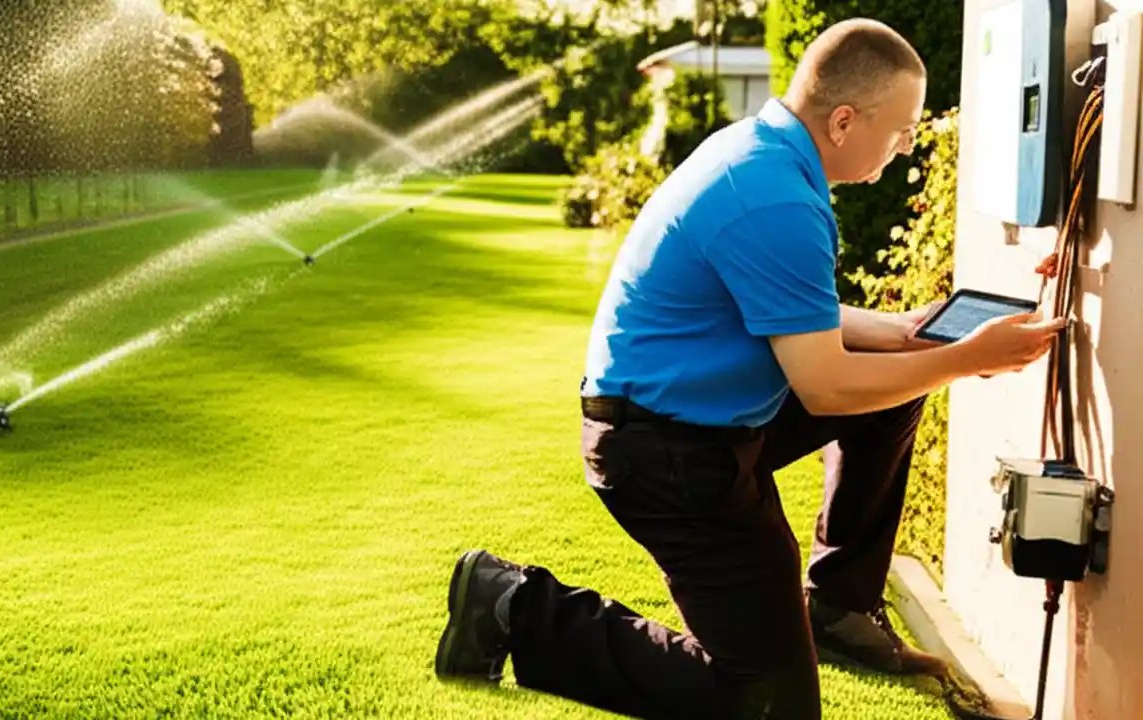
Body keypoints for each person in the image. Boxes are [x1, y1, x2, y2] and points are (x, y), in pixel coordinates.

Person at [432, 18, 1064, 720]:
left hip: (699, 421)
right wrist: (964, 359)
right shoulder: (774, 198)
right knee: (766, 705)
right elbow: (825, 384)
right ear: (846, 120)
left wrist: (907, 331)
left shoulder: (767, 155)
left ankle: (837, 608)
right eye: (904, 130)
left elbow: (791, 310)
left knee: (890, 388)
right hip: (665, 456)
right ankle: (514, 606)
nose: (907, 145)